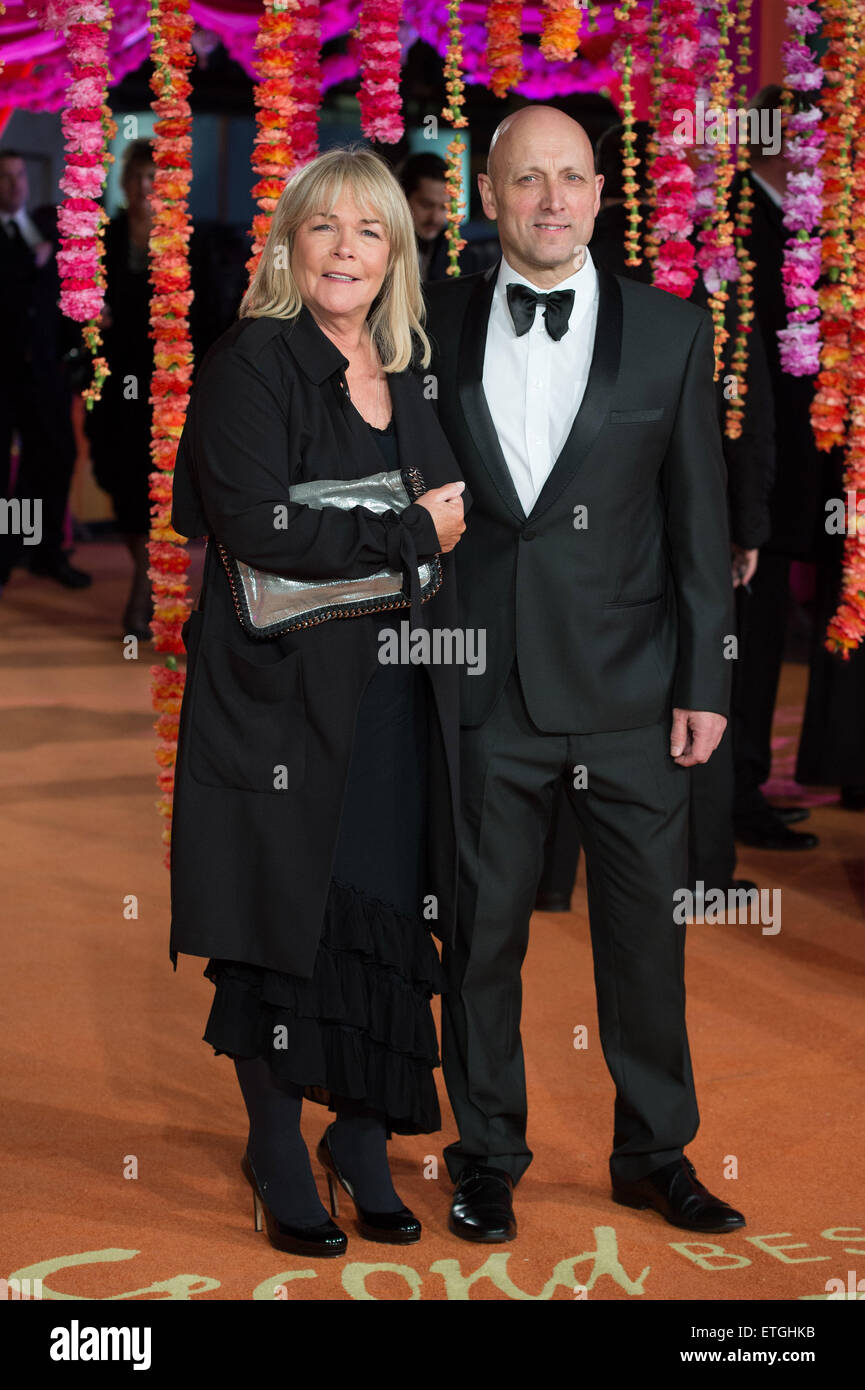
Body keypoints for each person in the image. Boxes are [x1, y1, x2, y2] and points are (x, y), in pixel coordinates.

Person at [424, 105, 746, 1241]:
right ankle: (485, 1153)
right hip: (481, 686)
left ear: (602, 195)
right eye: (525, 181)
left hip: (630, 688)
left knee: (646, 940)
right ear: (487, 197)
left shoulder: (670, 331)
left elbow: (697, 520)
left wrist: (705, 679)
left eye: (570, 180)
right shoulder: (435, 320)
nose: (550, 201)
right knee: (480, 940)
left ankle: (654, 1151)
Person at [169, 145, 469, 1256]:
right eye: (325, 229)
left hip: (394, 697)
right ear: (291, 244)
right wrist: (398, 537)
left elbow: (453, 519)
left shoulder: (411, 374)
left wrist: (379, 541)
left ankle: (357, 1137)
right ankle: (277, 1142)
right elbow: (258, 530)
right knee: (281, 910)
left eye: (371, 231)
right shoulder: (251, 360)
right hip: (279, 698)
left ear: (397, 254)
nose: (347, 250)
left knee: (380, 912)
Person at [0, 148, 91, 592]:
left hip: (44, 371)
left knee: (55, 457)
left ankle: (44, 550)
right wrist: (25, 263)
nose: (15, 184)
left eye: (19, 176)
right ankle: (4, 556)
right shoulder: (23, 243)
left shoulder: (44, 230)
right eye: (5, 177)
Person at [83, 140, 157, 638]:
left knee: (156, 489)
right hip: (112, 385)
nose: (143, 189)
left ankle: (144, 591)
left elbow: (210, 313)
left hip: (166, 388)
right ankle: (143, 571)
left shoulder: (182, 243)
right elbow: (76, 302)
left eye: (153, 179)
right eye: (135, 178)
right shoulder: (103, 238)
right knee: (117, 479)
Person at [396, 151, 491, 282]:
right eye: (426, 205)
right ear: (401, 198)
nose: (435, 218)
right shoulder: (380, 250)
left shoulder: (461, 258)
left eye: (443, 208)